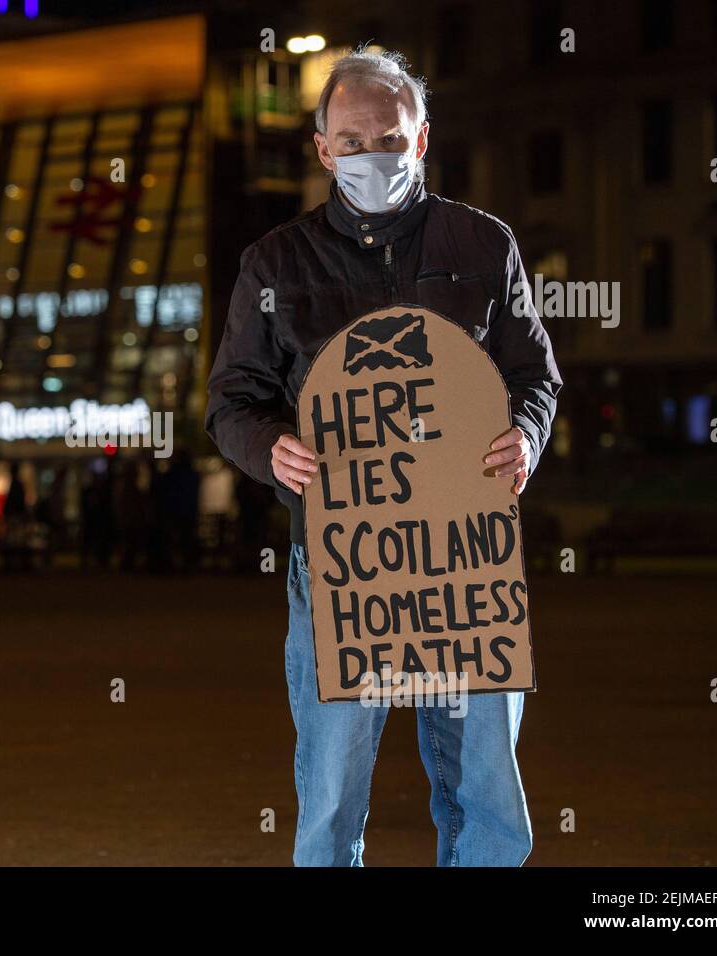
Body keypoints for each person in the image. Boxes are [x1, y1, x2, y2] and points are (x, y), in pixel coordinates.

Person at [205, 48, 562, 867]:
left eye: (390, 137)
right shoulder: (274, 263)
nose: (374, 154)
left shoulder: (484, 243)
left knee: (487, 789)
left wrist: (529, 435)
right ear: (324, 148)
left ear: (423, 138)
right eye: (353, 139)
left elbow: (533, 375)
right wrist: (271, 450)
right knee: (330, 791)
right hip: (341, 560)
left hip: (465, 559)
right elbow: (231, 402)